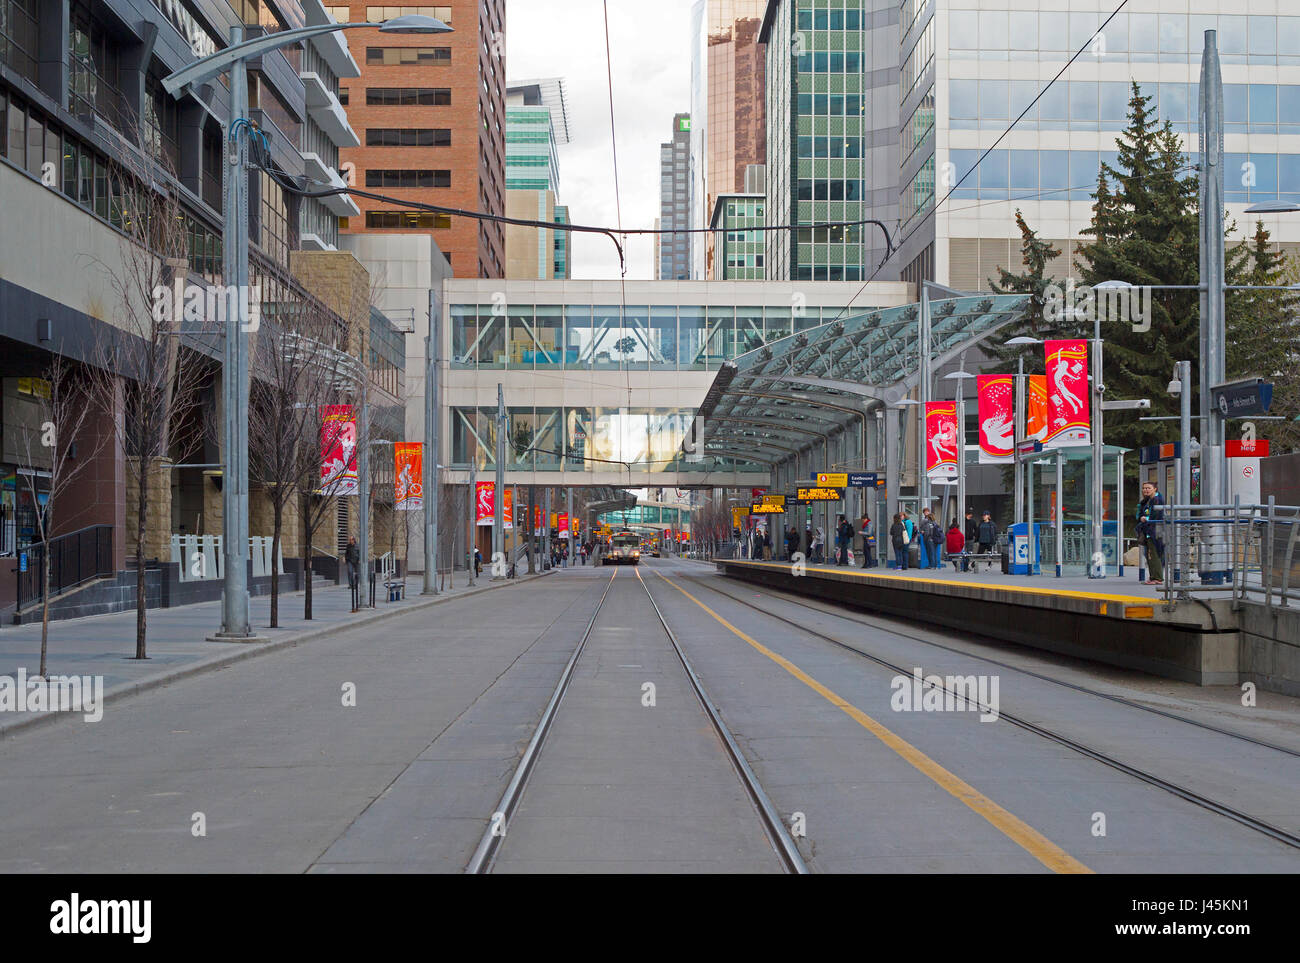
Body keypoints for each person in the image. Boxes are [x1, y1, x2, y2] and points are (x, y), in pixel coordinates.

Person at [1136, 480, 1166, 584]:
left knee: (1154, 554)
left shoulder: (1157, 499)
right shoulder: (1147, 500)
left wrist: (1146, 519)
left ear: (1155, 489)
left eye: (1148, 488)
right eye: (1144, 488)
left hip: (1154, 531)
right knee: (1150, 554)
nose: (1146, 490)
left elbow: (1156, 515)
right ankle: (1153, 577)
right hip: (1149, 531)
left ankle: (1157, 578)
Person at [345, 535, 361, 612]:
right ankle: (350, 585)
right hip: (350, 561)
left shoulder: (357, 546)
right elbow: (346, 553)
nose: (350, 541)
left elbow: (360, 553)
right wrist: (345, 558)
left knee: (356, 574)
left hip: (356, 561)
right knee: (350, 572)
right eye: (349, 539)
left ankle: (355, 585)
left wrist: (360, 559)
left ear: (354, 540)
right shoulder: (348, 546)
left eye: (351, 539)